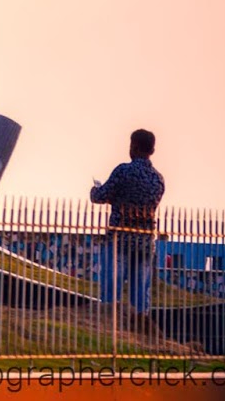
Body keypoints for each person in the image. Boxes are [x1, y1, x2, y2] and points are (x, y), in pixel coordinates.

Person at [90, 128, 166, 319]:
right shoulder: (158, 179)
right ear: (152, 151)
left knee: (111, 290)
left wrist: (95, 189)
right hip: (145, 241)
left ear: (134, 146)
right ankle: (140, 327)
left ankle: (110, 324)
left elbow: (101, 196)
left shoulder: (124, 171)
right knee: (140, 295)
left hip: (120, 239)